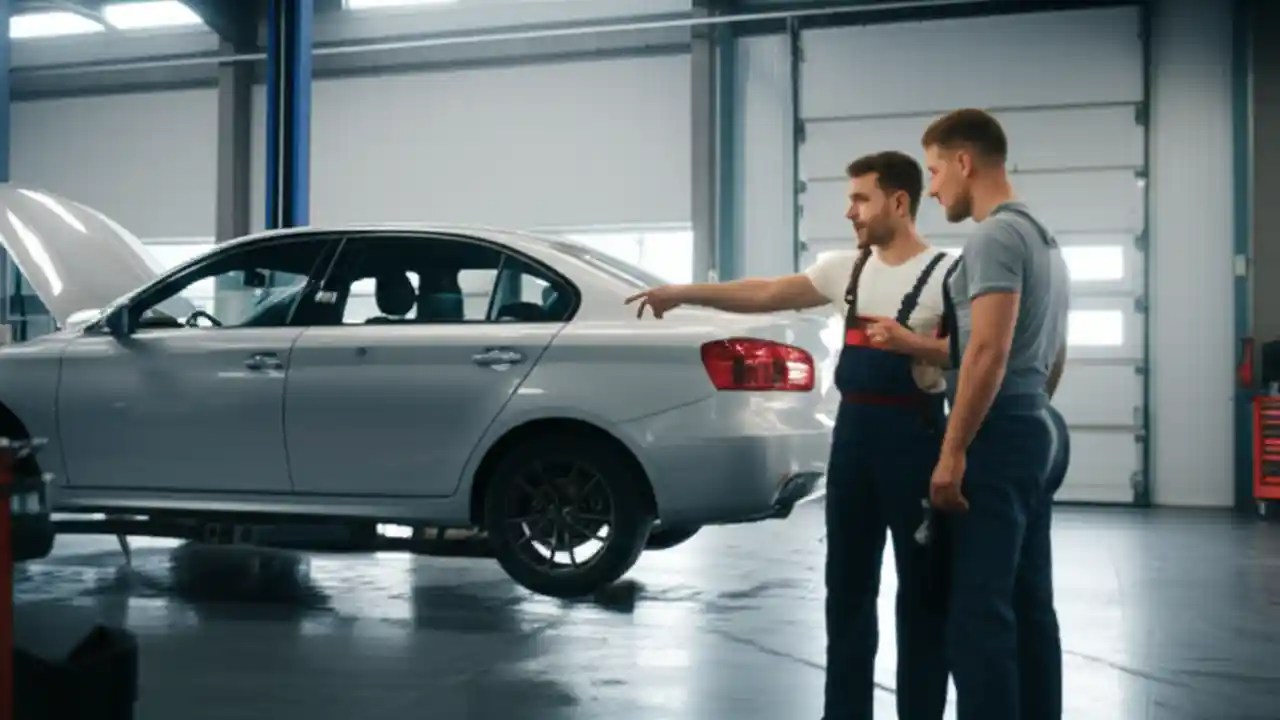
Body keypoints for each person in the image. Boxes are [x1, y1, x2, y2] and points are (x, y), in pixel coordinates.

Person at [627, 150, 953, 720]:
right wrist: (682, 293)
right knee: (847, 588)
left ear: (898, 203)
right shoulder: (843, 269)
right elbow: (764, 292)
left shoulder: (948, 274)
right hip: (853, 442)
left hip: (917, 441)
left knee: (923, 593)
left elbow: (978, 355)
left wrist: (918, 348)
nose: (849, 210)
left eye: (860, 198)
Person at [917, 108, 1071, 720]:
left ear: (964, 162)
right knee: (1029, 603)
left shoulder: (992, 237)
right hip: (1037, 425)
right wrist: (1031, 421)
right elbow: (1055, 353)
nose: (932, 188)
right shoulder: (1044, 239)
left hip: (999, 432)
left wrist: (954, 450)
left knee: (977, 613)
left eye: (933, 171)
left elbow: (988, 348)